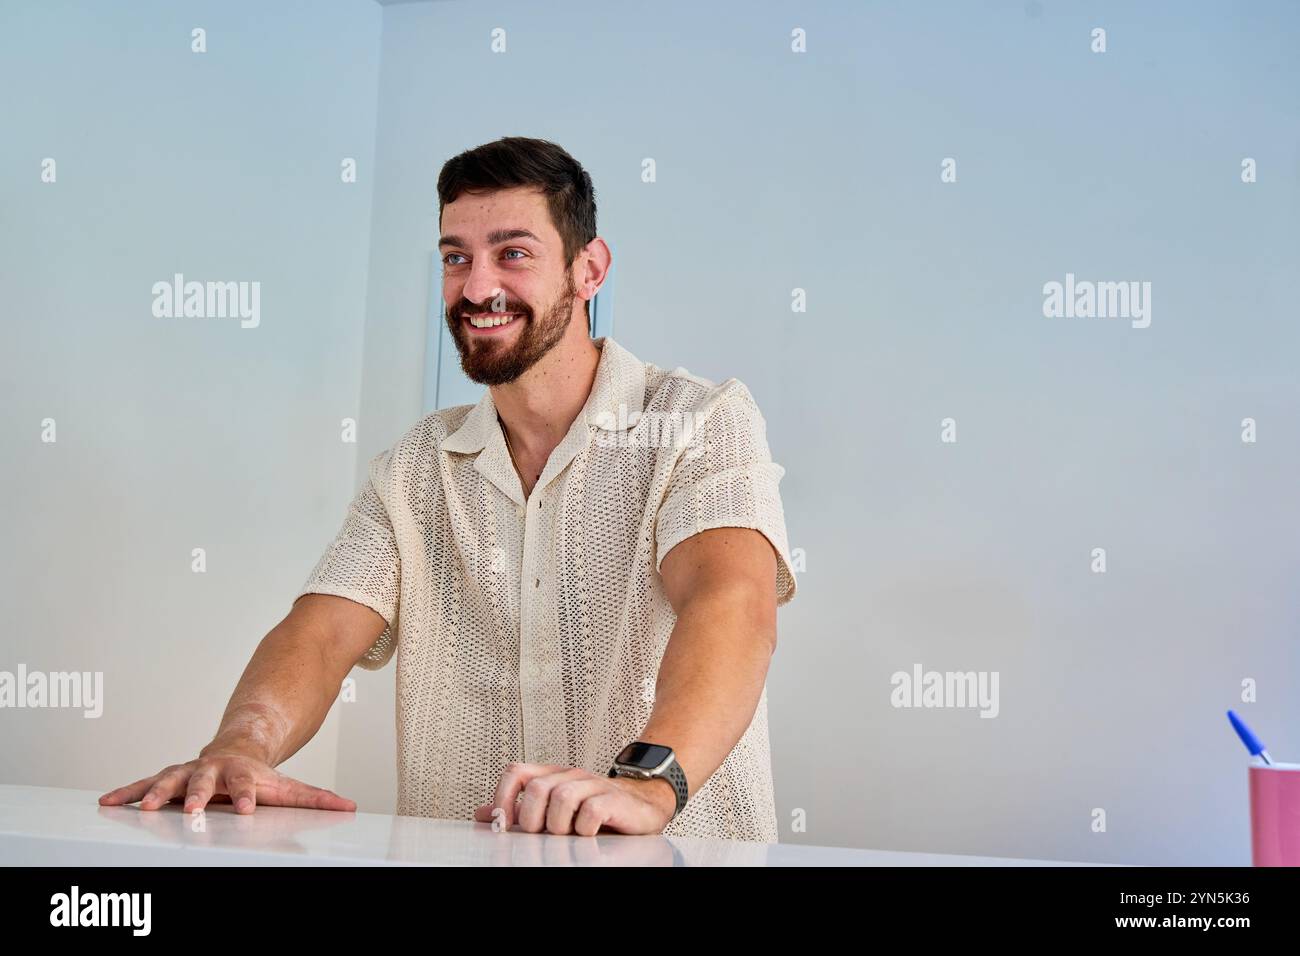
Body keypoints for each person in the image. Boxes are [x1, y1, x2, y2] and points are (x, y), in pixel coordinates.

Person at [100, 136, 798, 840]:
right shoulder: (415, 467)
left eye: (513, 253)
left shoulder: (697, 421)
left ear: (589, 270)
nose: (476, 287)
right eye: (455, 258)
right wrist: (238, 749)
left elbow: (732, 602)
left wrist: (648, 785)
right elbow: (319, 632)